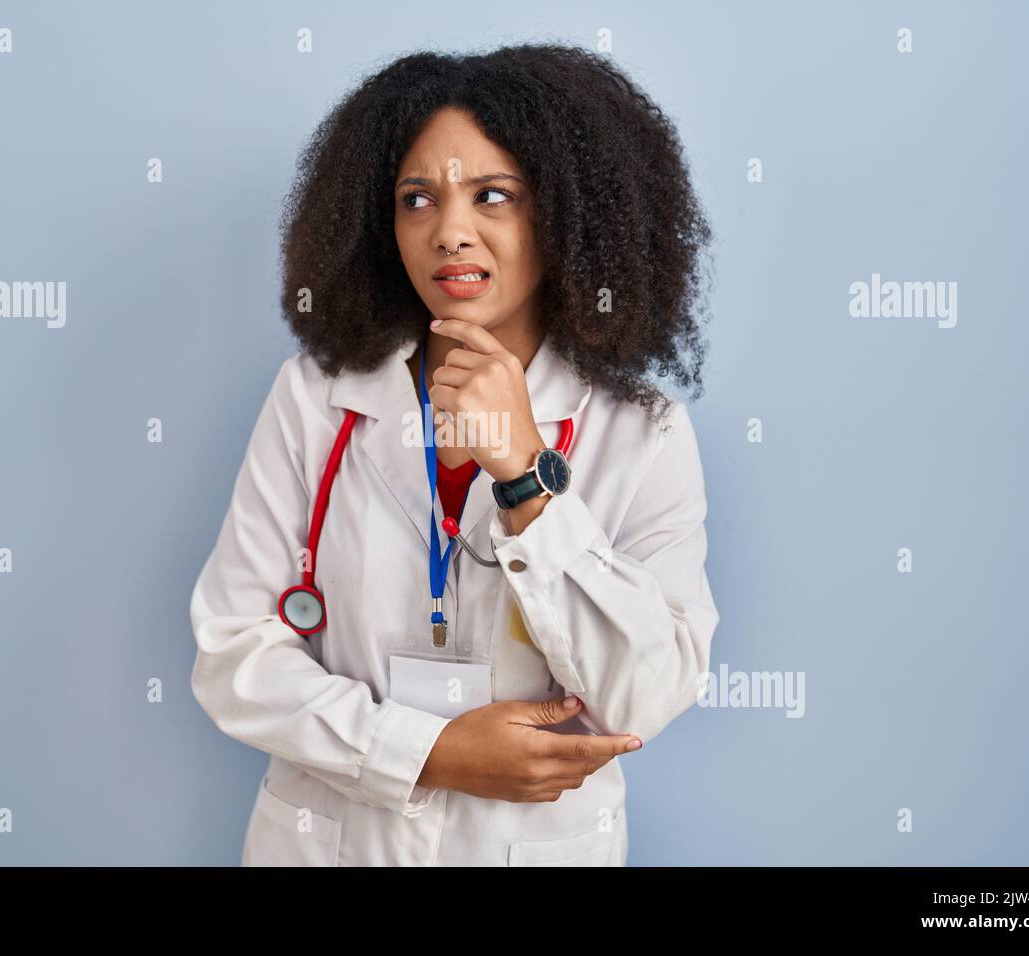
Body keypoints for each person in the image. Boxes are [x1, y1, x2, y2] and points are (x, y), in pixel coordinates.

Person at [189, 44, 719, 866]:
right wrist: (424, 755)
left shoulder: (641, 432)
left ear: (567, 216)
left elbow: (646, 695)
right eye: (417, 199)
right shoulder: (313, 398)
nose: (450, 232)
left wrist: (526, 476)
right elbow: (234, 651)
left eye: (493, 196)